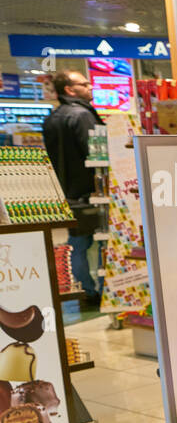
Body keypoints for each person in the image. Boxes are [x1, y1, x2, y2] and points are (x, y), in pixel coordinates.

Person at [42, 69, 104, 307]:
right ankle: (102, 290)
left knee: (77, 244)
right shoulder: (82, 116)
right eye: (83, 84)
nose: (90, 87)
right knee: (101, 242)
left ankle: (87, 292)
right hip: (90, 192)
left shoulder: (52, 118)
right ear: (69, 89)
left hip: (66, 193)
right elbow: (97, 154)